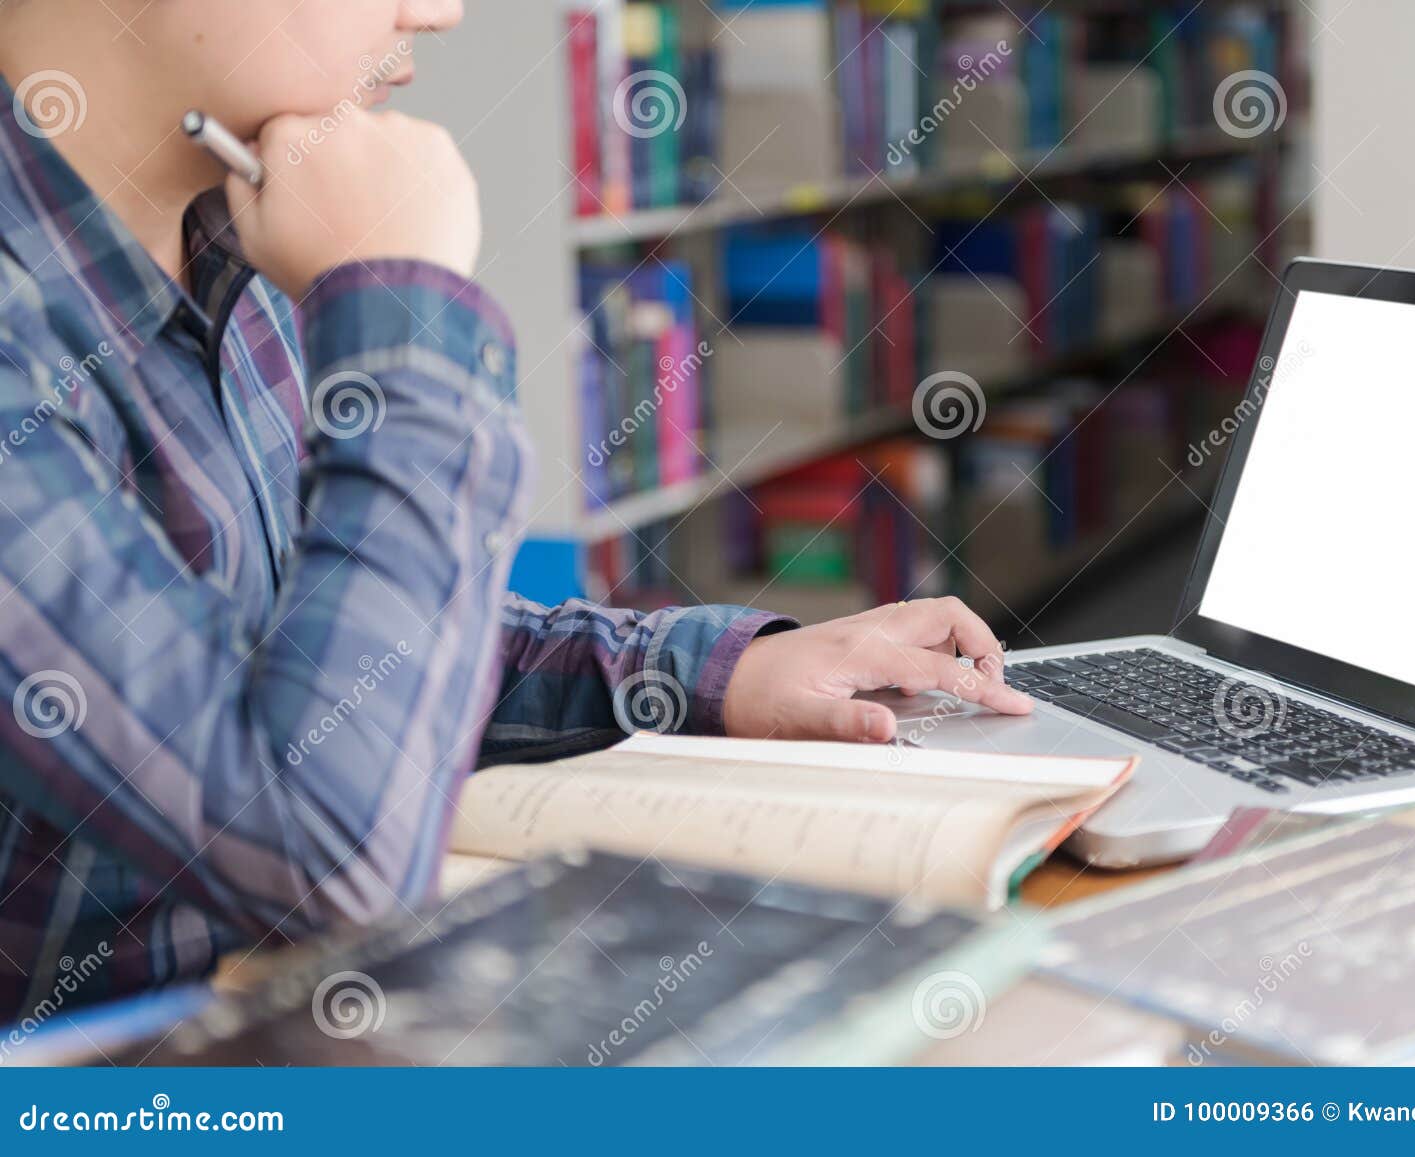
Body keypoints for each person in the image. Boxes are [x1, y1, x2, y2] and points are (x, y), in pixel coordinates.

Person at [0, 0, 1032, 1023]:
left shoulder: (242, 244)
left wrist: (720, 674)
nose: (441, 12)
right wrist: (401, 309)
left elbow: (343, 664)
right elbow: (327, 849)